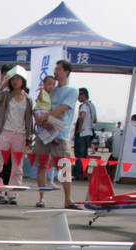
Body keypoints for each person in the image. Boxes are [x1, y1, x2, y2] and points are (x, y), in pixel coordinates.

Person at [0, 64, 32, 203]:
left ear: (23, 81)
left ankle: (13, 193)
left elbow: (29, 119)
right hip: (5, 132)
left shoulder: (28, 99)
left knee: (17, 165)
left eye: (18, 78)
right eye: (13, 79)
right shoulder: (5, 95)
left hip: (20, 134)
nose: (16, 81)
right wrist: (4, 82)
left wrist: (29, 137)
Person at [35, 59, 78, 208]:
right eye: (55, 69)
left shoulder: (72, 91)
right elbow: (41, 105)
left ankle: (68, 199)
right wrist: (39, 118)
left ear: (66, 72)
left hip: (60, 134)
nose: (55, 72)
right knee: (42, 165)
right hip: (44, 132)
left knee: (64, 166)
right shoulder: (50, 89)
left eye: (59, 69)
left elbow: (63, 108)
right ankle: (42, 197)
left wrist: (46, 117)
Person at [73, 87, 96, 179]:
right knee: (85, 155)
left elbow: (82, 116)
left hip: (82, 133)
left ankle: (77, 174)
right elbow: (94, 120)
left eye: (79, 95)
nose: (78, 98)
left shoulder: (84, 106)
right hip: (89, 132)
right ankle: (84, 174)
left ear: (83, 95)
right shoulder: (91, 105)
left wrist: (79, 129)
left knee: (79, 154)